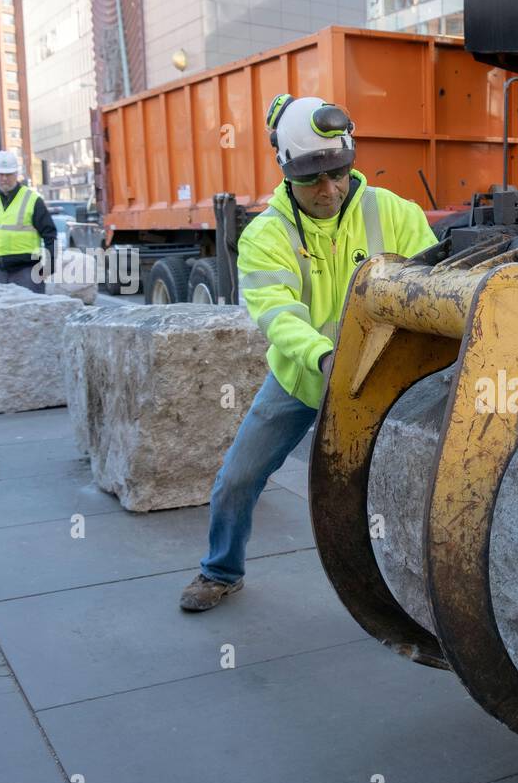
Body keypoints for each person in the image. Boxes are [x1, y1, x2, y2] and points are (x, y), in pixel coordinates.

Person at [179, 94, 438, 612]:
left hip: (384, 380)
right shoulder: (266, 235)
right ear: (286, 172)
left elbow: (433, 289)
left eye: (338, 173)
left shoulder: (395, 213)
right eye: (312, 179)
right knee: (237, 477)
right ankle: (220, 570)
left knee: (405, 488)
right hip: (304, 378)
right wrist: (324, 357)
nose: (329, 189)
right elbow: (278, 315)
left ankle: (419, 594)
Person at [0, 150, 56, 293]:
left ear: (16, 174)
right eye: (0, 174)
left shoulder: (32, 200)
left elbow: (50, 234)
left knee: (30, 313)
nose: (4, 178)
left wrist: (49, 264)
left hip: (27, 271)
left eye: (9, 174)